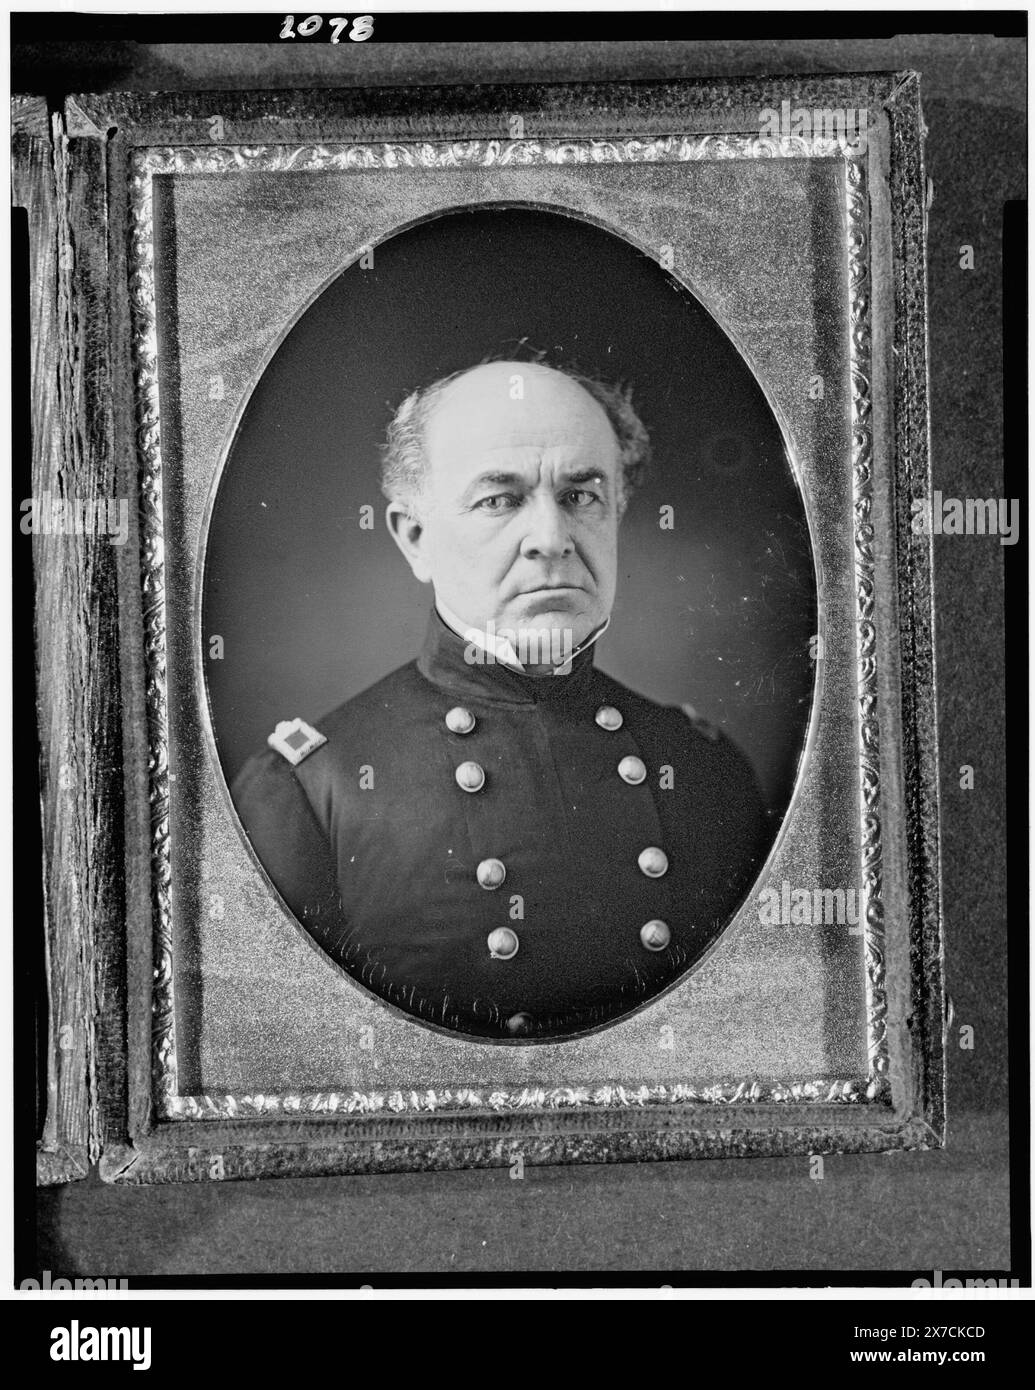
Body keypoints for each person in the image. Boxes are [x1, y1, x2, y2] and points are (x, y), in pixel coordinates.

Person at [232, 360, 769, 1039]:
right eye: (499, 500)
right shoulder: (307, 792)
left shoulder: (705, 769)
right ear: (414, 537)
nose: (551, 539)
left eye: (580, 496)